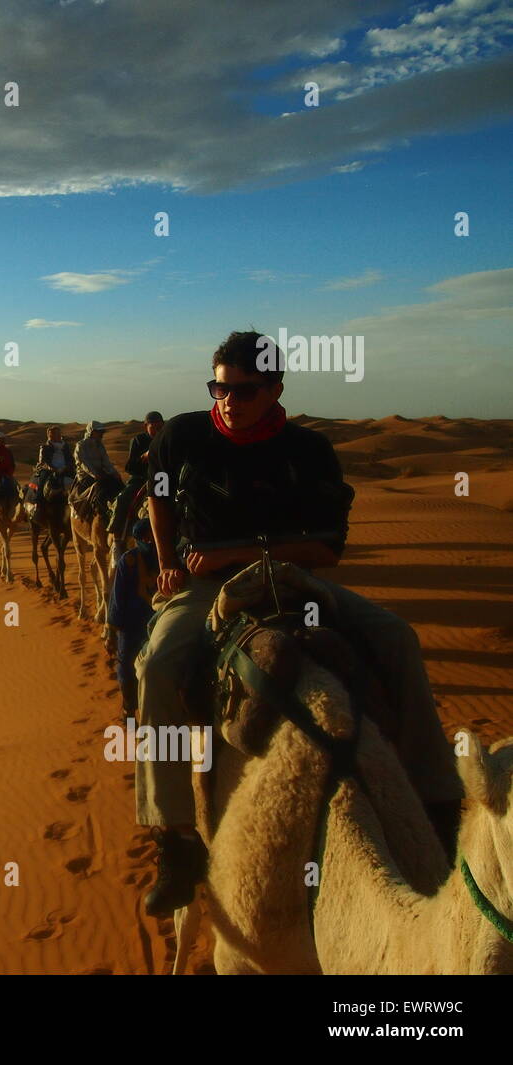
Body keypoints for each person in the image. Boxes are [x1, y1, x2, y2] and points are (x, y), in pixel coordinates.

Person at [134, 330, 463, 918]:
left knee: (397, 637)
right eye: (219, 388)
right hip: (206, 588)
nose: (229, 401)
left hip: (290, 579)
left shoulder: (308, 451)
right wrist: (166, 561)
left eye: (244, 390)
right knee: (157, 664)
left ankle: (437, 801)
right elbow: (158, 495)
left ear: (276, 390)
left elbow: (328, 548)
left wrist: (244, 551)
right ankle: (175, 838)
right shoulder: (182, 436)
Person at [107, 518, 159, 714]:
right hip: (131, 625)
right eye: (146, 537)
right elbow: (117, 599)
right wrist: (112, 630)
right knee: (126, 670)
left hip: (158, 622)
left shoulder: (169, 558)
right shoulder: (128, 561)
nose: (150, 541)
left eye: (152, 536)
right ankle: (129, 710)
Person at [108, 411, 163, 539]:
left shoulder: (166, 439)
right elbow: (130, 467)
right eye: (153, 427)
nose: (157, 430)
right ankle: (117, 537)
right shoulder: (138, 440)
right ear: (145, 426)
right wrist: (144, 458)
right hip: (141, 480)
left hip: (163, 480)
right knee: (122, 500)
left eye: (160, 427)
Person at [76, 421, 123, 511]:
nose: (101, 434)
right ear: (92, 432)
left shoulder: (100, 445)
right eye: (99, 432)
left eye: (102, 432)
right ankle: (100, 512)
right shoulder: (81, 445)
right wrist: (95, 474)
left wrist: (114, 472)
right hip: (86, 475)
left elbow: (106, 461)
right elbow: (84, 463)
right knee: (100, 491)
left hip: (101, 473)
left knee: (119, 484)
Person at [35, 425, 75, 501]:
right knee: (42, 480)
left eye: (59, 433)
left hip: (65, 469)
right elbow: (44, 462)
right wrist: (54, 469)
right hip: (50, 470)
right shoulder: (45, 447)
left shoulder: (65, 446)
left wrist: (66, 467)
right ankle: (38, 501)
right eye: (55, 434)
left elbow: (71, 459)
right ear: (50, 435)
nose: (59, 435)